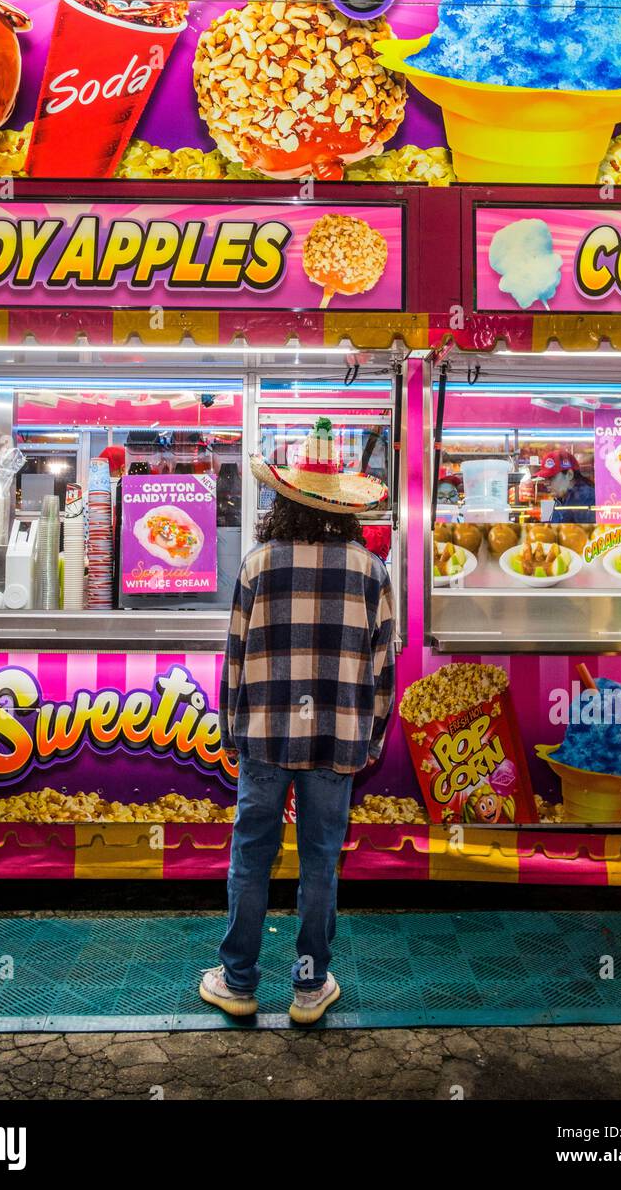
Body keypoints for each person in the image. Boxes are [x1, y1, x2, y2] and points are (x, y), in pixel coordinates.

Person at [200, 417, 396, 1024]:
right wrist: (372, 738)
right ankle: (310, 987)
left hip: (264, 736)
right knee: (319, 860)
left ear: (282, 504)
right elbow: (383, 669)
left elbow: (234, 657)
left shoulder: (258, 565)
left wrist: (232, 733)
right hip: (337, 739)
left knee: (251, 855)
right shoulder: (370, 571)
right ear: (343, 510)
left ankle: (238, 982)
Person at [538, 449, 596, 525]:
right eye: (545, 478)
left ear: (569, 474)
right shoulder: (556, 500)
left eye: (551, 477)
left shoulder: (588, 499)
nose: (546, 483)